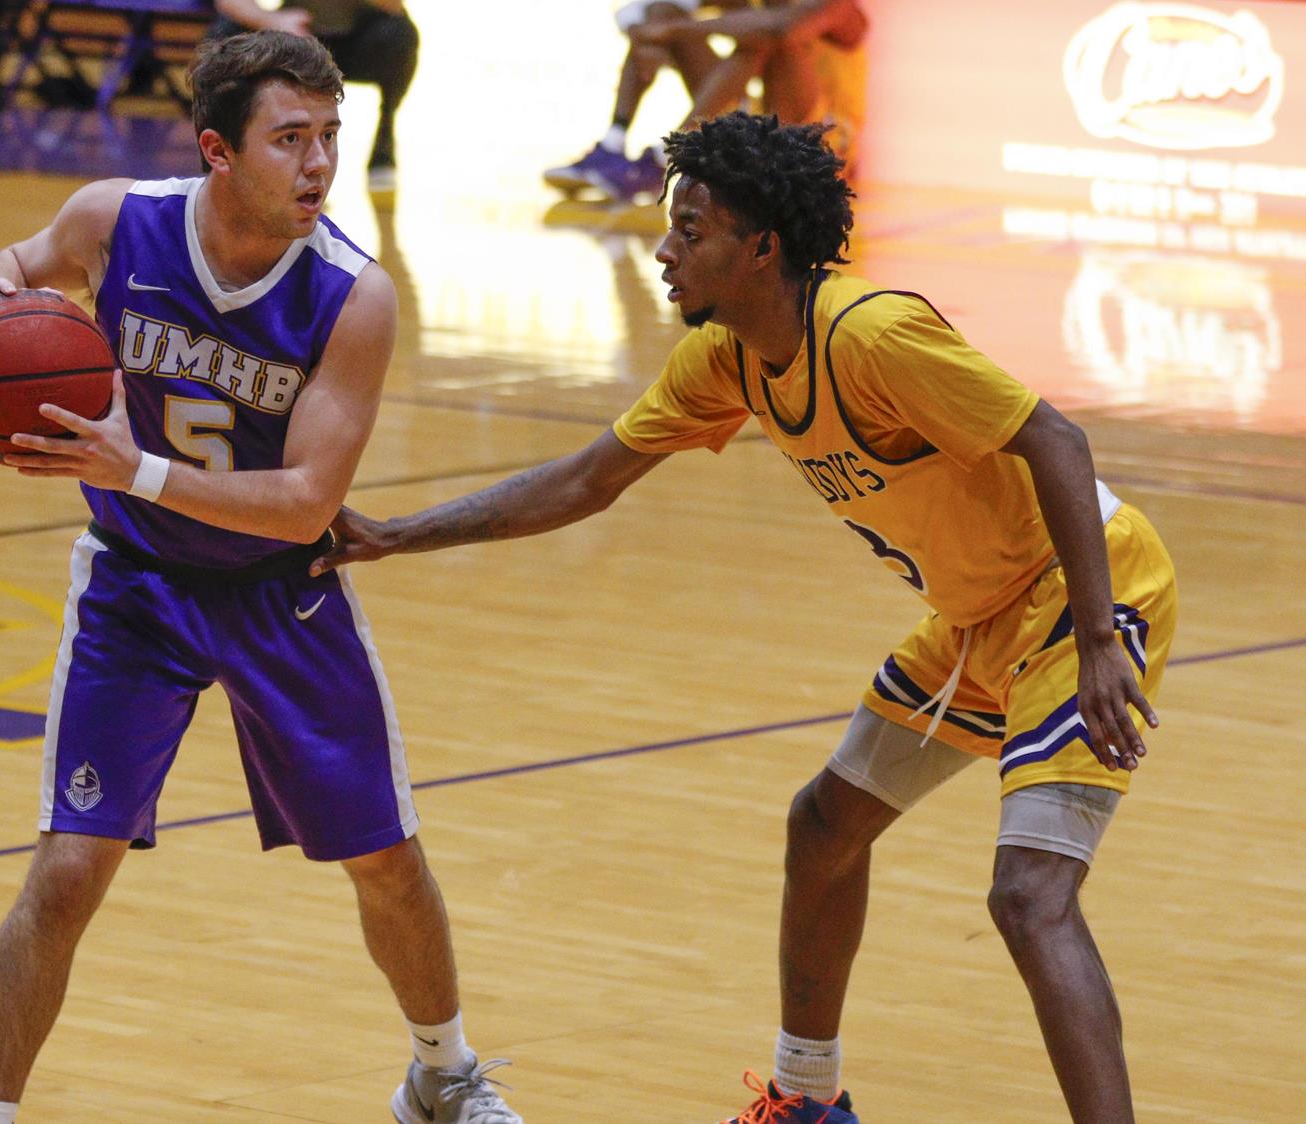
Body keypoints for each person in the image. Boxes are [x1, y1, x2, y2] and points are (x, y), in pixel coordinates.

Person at [315, 113, 1176, 1124]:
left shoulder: (871, 335)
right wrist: (396, 535)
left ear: (761, 247)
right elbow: (589, 478)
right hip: (974, 618)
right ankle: (807, 1099)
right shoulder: (723, 360)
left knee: (1027, 897)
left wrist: (1092, 640)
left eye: (690, 228)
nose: (664, 249)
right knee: (821, 826)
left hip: (1082, 593)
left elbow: (1057, 441)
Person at [0, 30, 521, 1124]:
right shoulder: (118, 221)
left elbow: (305, 498)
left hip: (277, 591)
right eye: (288, 139)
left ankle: (443, 1071)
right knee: (65, 870)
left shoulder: (353, 295)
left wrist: (133, 464)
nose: (317, 165)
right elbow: (22, 262)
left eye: (329, 138)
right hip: (135, 586)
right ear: (216, 150)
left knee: (384, 859)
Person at [548, 0, 867, 203]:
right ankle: (612, 146)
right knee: (663, 11)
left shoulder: (842, 8)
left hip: (818, 150)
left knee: (761, 38)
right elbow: (644, 11)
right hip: (762, 133)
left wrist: (674, 30)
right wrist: (647, 38)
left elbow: (780, 28)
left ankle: (671, 154)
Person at [209, 0, 417, 191]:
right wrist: (271, 20)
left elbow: (394, 6)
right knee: (225, 33)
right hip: (296, 32)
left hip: (358, 39)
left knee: (402, 34)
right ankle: (230, 142)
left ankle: (384, 139)